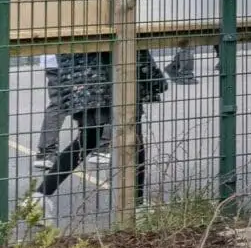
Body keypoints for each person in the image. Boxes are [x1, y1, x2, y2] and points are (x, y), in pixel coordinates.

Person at [36, 48, 189, 199]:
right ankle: (137, 203)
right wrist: (153, 77)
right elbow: (135, 46)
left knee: (88, 138)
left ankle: (40, 196)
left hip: (81, 75)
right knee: (134, 137)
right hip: (116, 71)